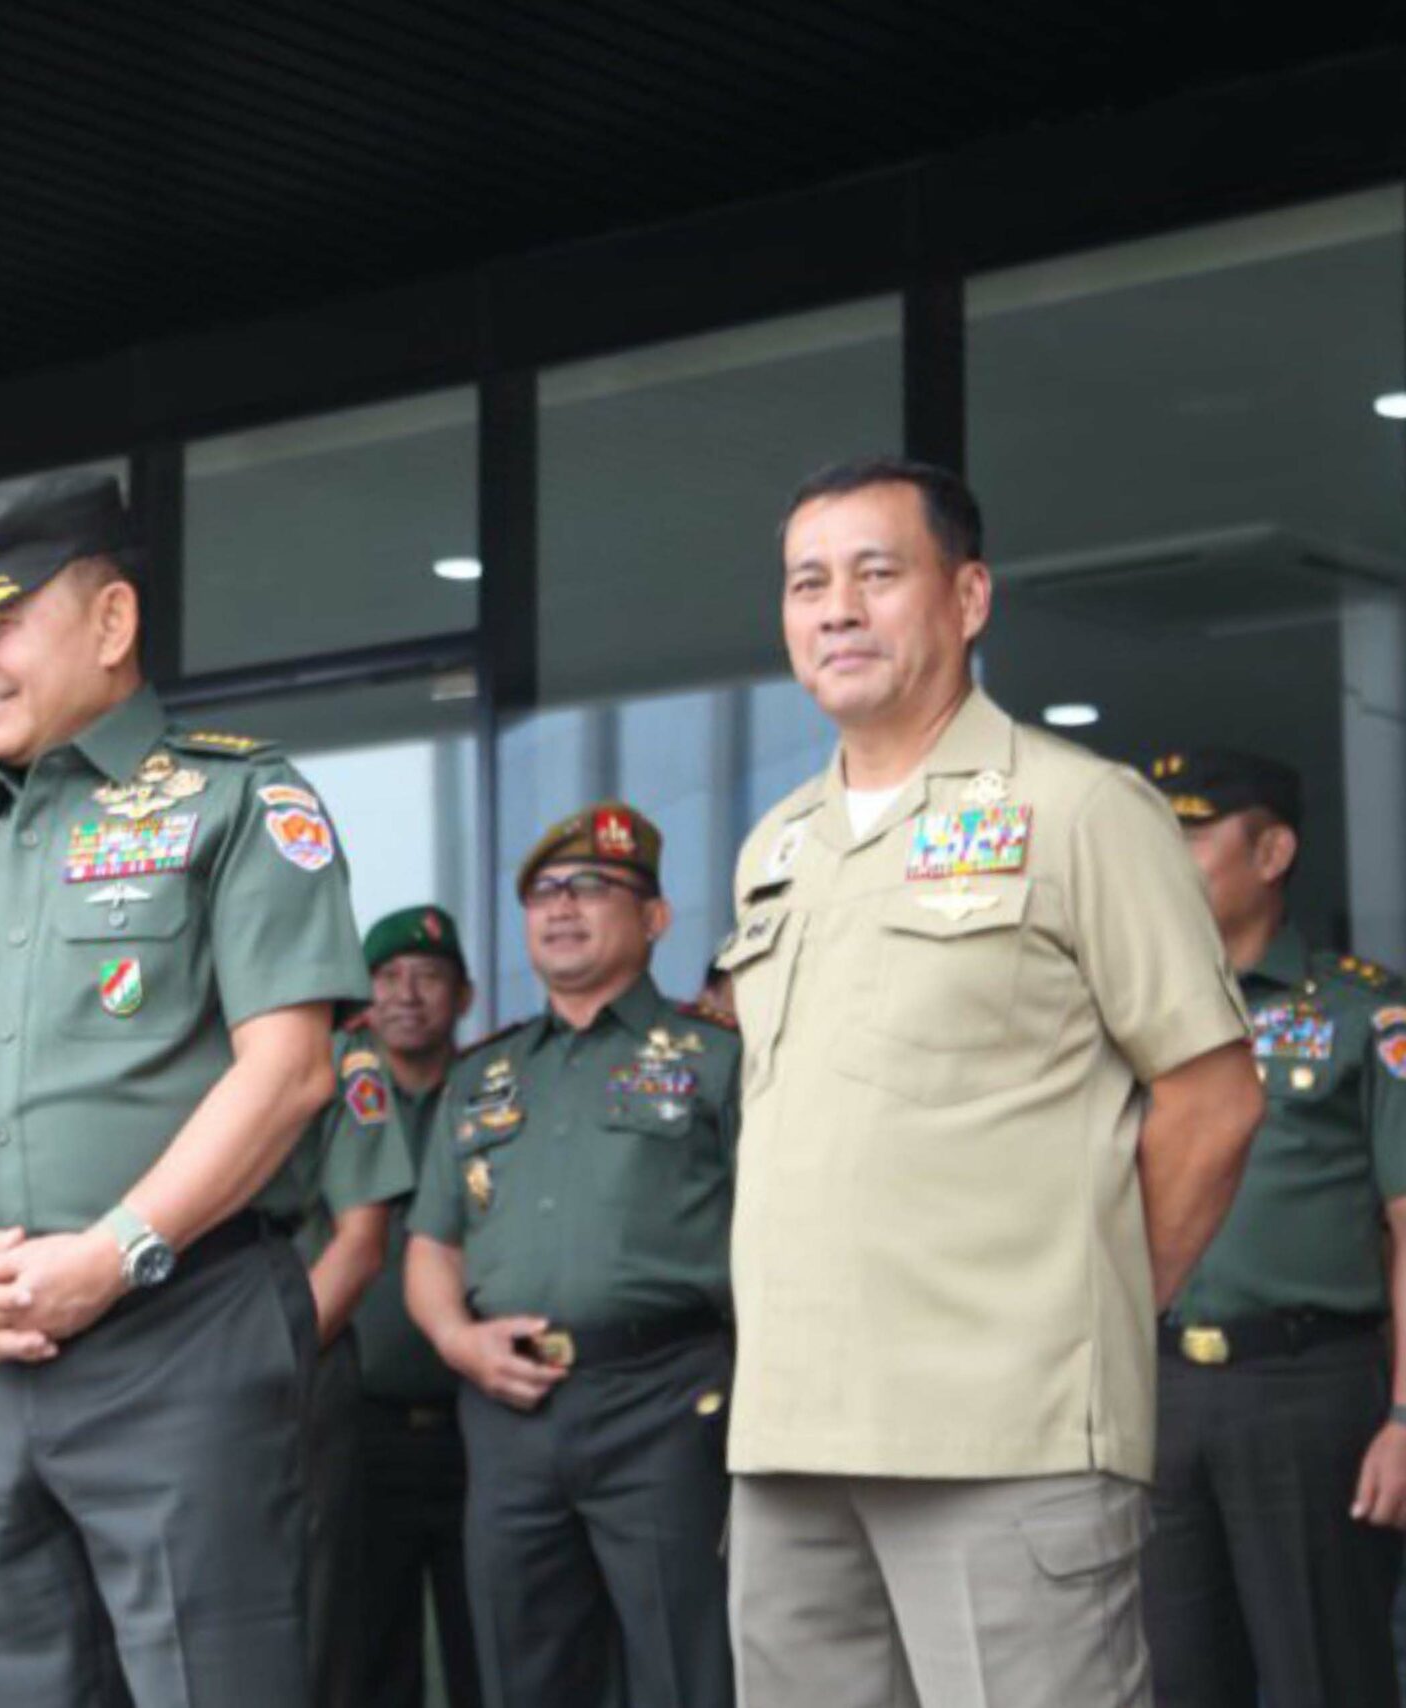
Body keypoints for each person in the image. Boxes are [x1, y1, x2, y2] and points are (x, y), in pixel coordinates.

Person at [721, 456, 1263, 1708]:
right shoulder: (778, 845)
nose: (837, 609)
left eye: (876, 574)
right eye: (807, 582)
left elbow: (1213, 1098)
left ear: (968, 597)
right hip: (789, 1431)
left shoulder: (1079, 810)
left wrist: (1082, 1313)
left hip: (1005, 1432)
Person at [0, 470, 367, 1706]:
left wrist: (113, 1254)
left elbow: (289, 1070)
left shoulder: (240, 797)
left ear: (112, 621)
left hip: (180, 1333)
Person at [405, 804, 738, 1708]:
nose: (561, 907)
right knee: (526, 1672)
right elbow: (432, 1244)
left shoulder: (716, 1059)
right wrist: (456, 1341)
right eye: (543, 892)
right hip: (509, 1414)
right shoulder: (484, 1074)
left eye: (591, 887)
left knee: (685, 1672)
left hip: (668, 1400)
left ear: (655, 917)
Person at [1141, 748, 1406, 1707]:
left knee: (1320, 1678)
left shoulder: (1363, 1011)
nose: (1167, 861)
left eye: (1192, 834)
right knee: (1173, 1682)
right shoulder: (1134, 1016)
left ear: (1272, 852)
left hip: (1307, 1389)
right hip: (1161, 1389)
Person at [347, 907, 484, 1708]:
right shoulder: (334, 1101)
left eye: (428, 977)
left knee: (489, 1652)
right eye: (389, 978)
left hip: (481, 1424)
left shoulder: (496, 1096)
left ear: (464, 996)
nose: (407, 995)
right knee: (370, 1659)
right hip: (361, 1427)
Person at [280, 946, 419, 1708]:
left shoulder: (339, 1052)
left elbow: (360, 1247)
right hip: (149, 1378)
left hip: (288, 1377)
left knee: (308, 1636)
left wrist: (259, 1365)